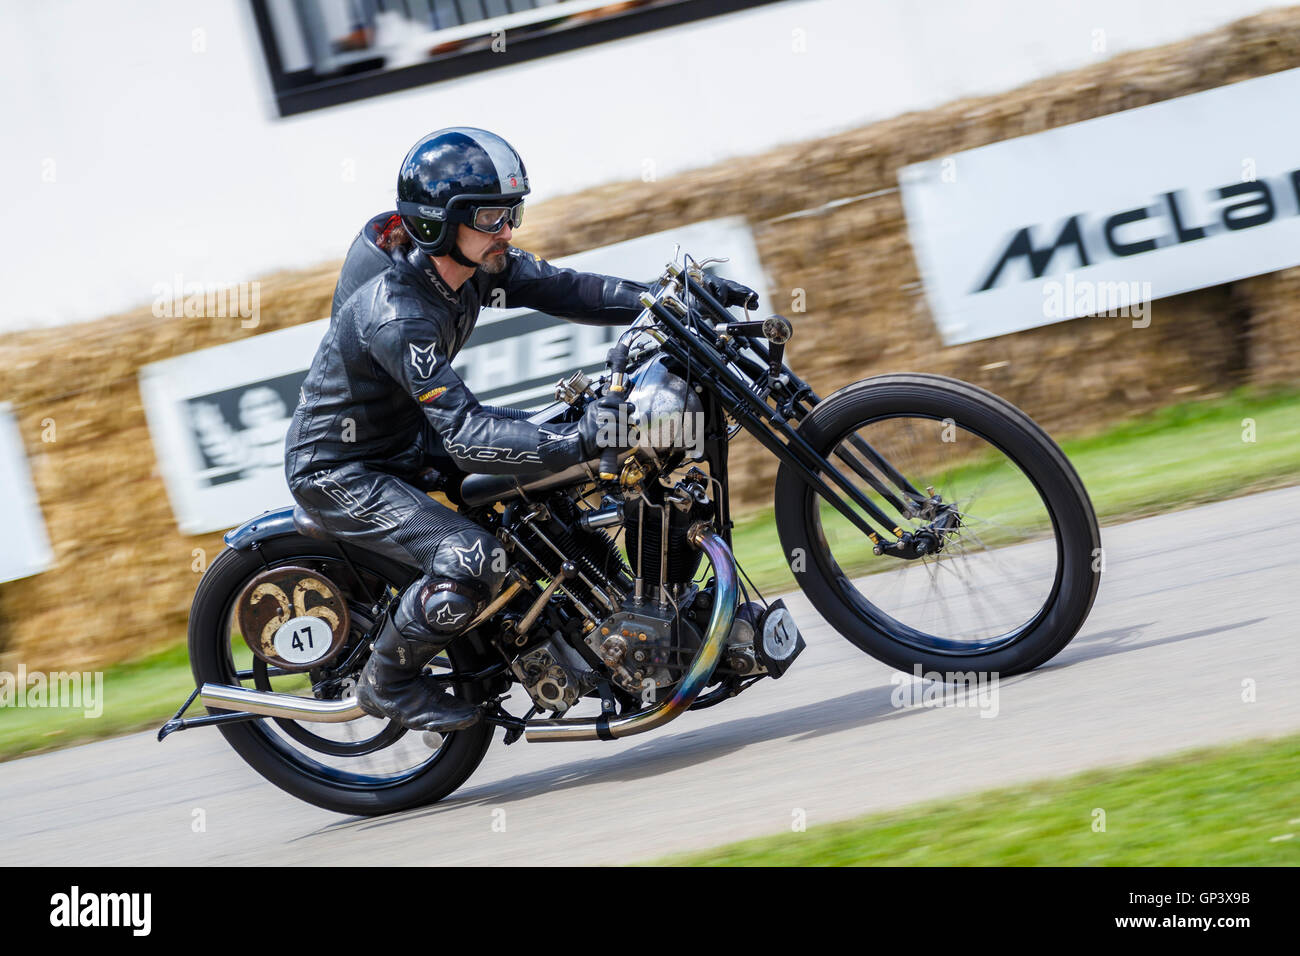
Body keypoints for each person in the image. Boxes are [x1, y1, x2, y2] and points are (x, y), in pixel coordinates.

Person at [284, 127, 758, 732]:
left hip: (410, 437)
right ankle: (386, 682)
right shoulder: (397, 311)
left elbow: (566, 287)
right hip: (341, 468)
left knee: (556, 481)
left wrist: (664, 301)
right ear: (437, 222)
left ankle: (627, 626)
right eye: (490, 218)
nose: (507, 231)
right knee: (472, 555)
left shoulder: (474, 265)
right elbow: (463, 432)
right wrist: (580, 440)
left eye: (512, 214)